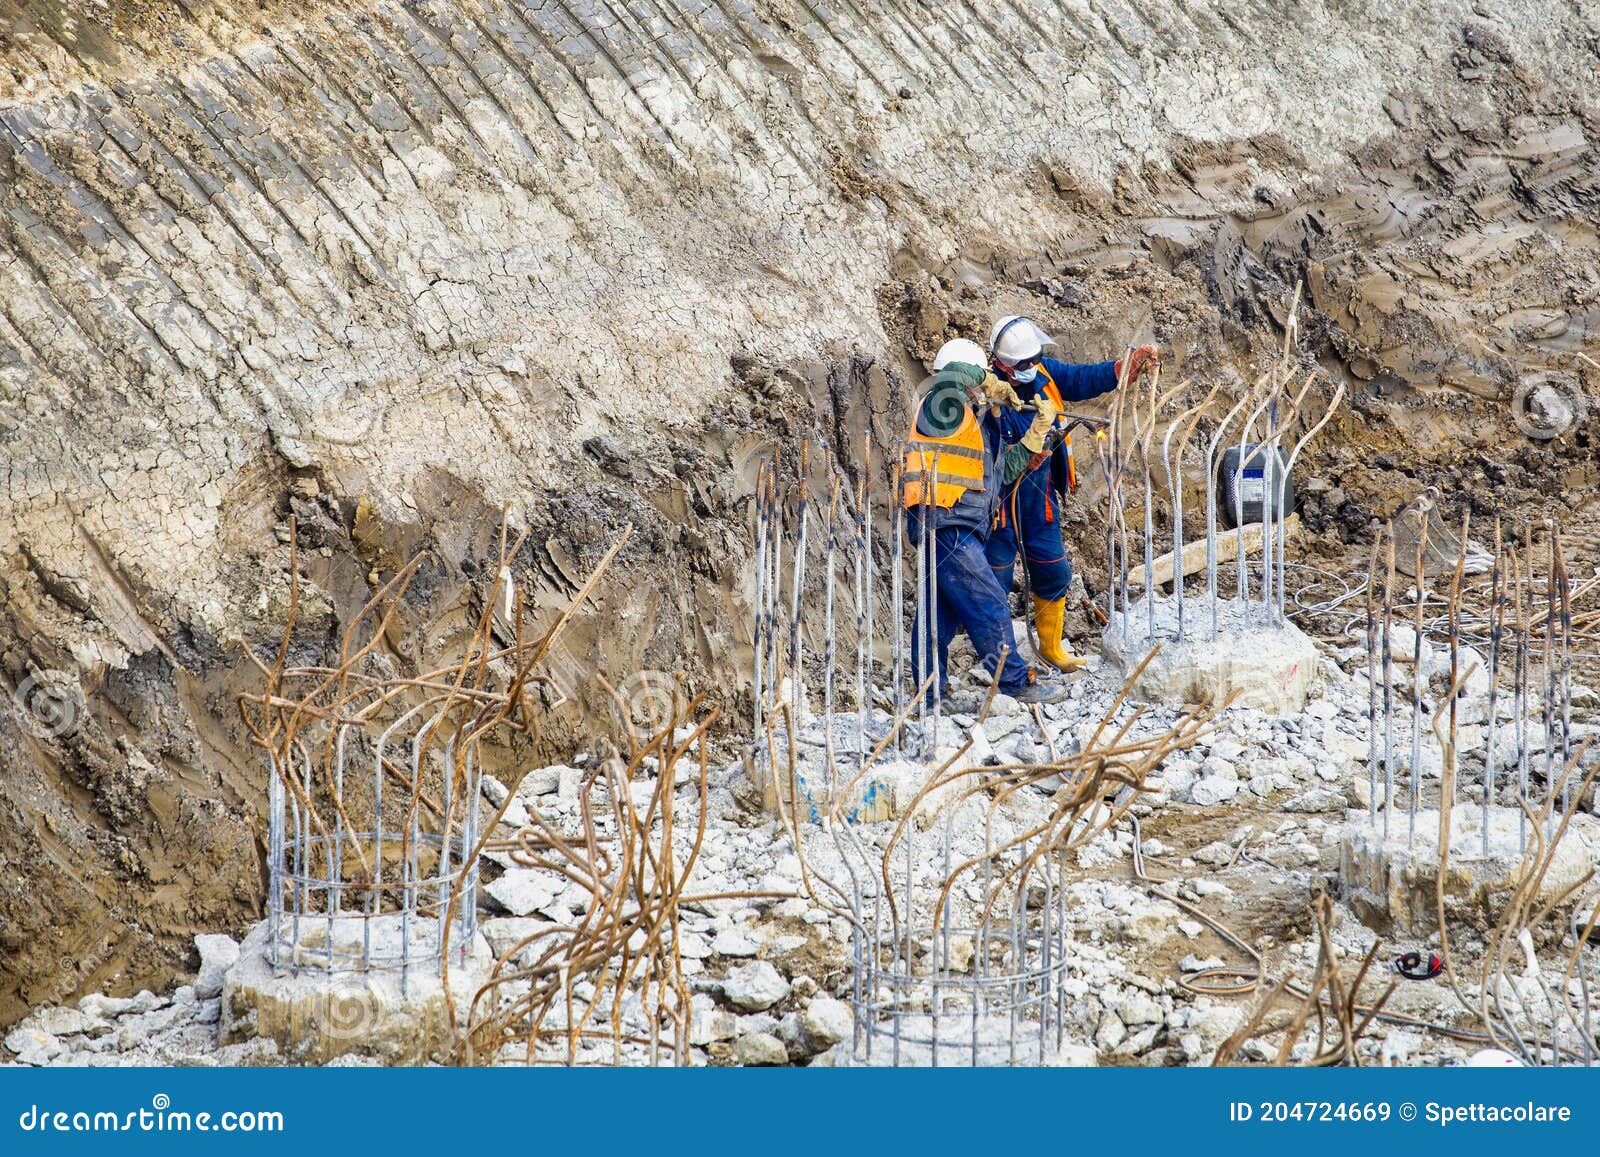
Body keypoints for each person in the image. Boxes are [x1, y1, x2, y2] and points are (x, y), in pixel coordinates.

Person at [985, 315, 1160, 671]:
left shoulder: (1043, 374)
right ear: (1003, 364)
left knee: (1054, 571)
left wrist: (1121, 370)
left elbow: (1081, 378)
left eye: (1036, 359)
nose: (1033, 367)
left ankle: (1051, 648)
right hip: (999, 505)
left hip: (1039, 499)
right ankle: (998, 658)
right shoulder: (987, 397)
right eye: (1025, 364)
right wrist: (1021, 455)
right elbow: (987, 459)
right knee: (995, 579)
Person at [902, 339, 1067, 706]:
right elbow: (953, 377)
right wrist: (992, 382)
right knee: (988, 600)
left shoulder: (969, 424)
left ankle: (930, 695)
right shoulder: (942, 404)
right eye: (982, 376)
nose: (983, 384)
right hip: (947, 522)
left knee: (939, 614)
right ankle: (1013, 681)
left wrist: (1034, 435)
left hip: (953, 524)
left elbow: (1001, 474)